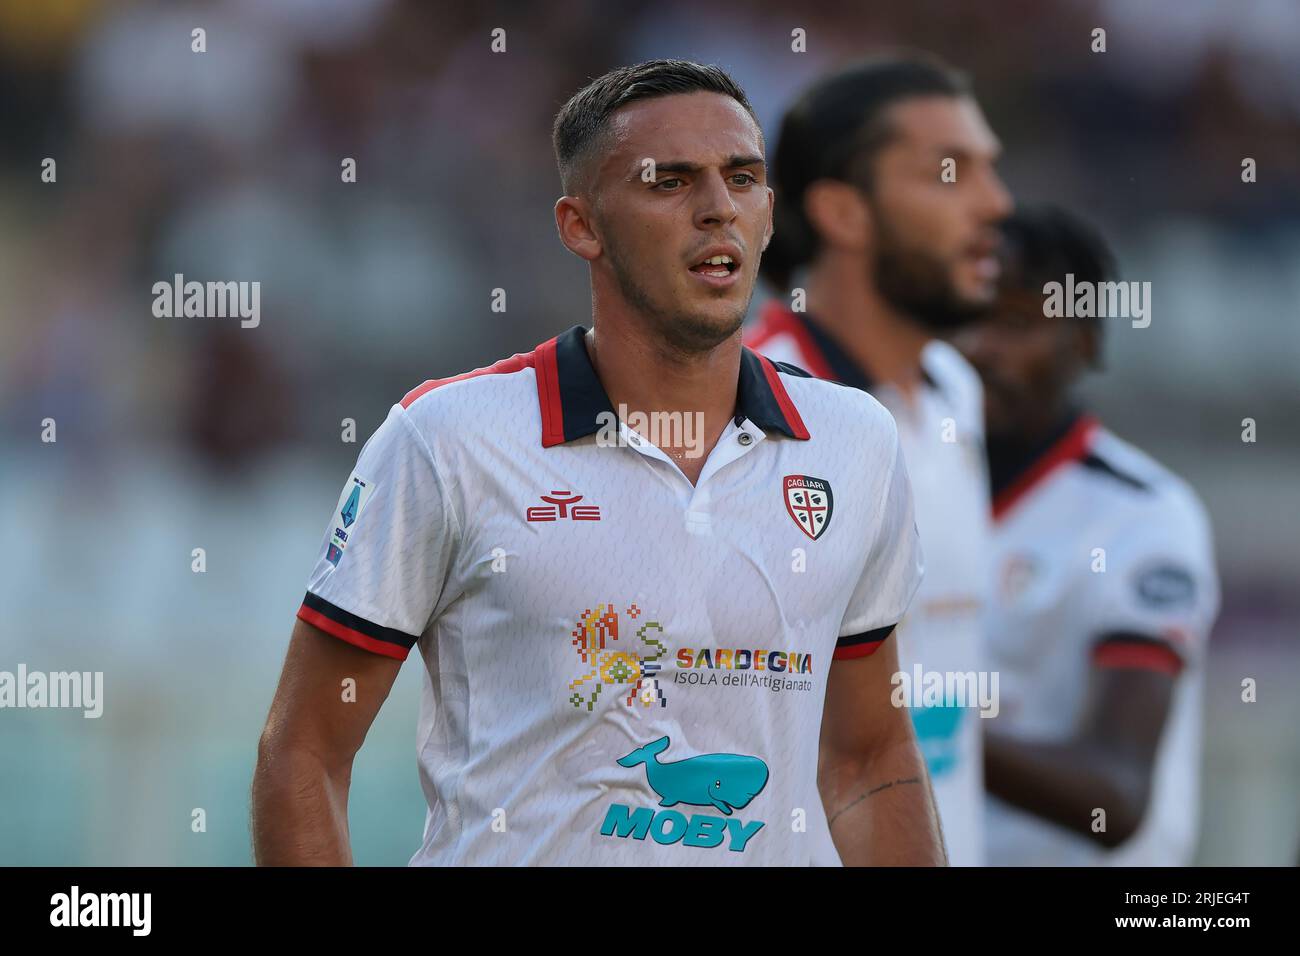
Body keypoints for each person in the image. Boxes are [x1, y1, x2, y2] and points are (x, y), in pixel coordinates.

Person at [252, 59, 942, 866]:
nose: (717, 208)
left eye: (743, 179)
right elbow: (303, 752)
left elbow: (869, 757)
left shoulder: (855, 440)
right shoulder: (449, 438)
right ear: (582, 226)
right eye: (670, 182)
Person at [746, 52, 1013, 866]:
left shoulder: (954, 392)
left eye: (991, 171)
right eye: (949, 173)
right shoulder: (748, 412)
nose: (997, 204)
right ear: (842, 212)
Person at [952, 205, 1220, 865]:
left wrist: (906, 728)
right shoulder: (900, 482)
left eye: (1016, 322)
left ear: (1087, 342)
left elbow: (1118, 796)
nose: (981, 346)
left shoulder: (1145, 515)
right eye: (964, 318)